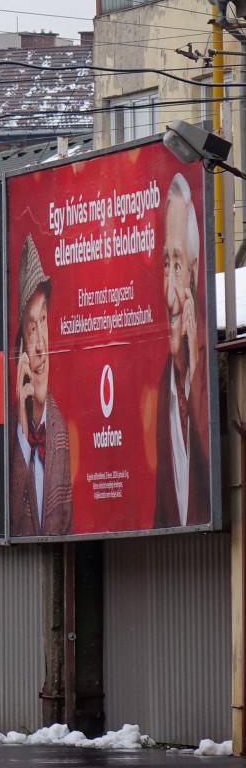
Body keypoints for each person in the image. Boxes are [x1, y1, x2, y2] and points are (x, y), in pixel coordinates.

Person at [155, 172, 211, 527]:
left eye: (178, 266)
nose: (170, 293)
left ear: (194, 271)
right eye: (166, 265)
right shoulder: (165, 386)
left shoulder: (207, 368)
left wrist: (196, 375)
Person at [10, 235, 72, 536]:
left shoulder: (59, 428)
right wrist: (23, 430)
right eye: (32, 329)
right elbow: (9, 521)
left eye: (44, 320)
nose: (41, 346)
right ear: (21, 347)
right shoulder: (8, 432)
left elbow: (67, 524)